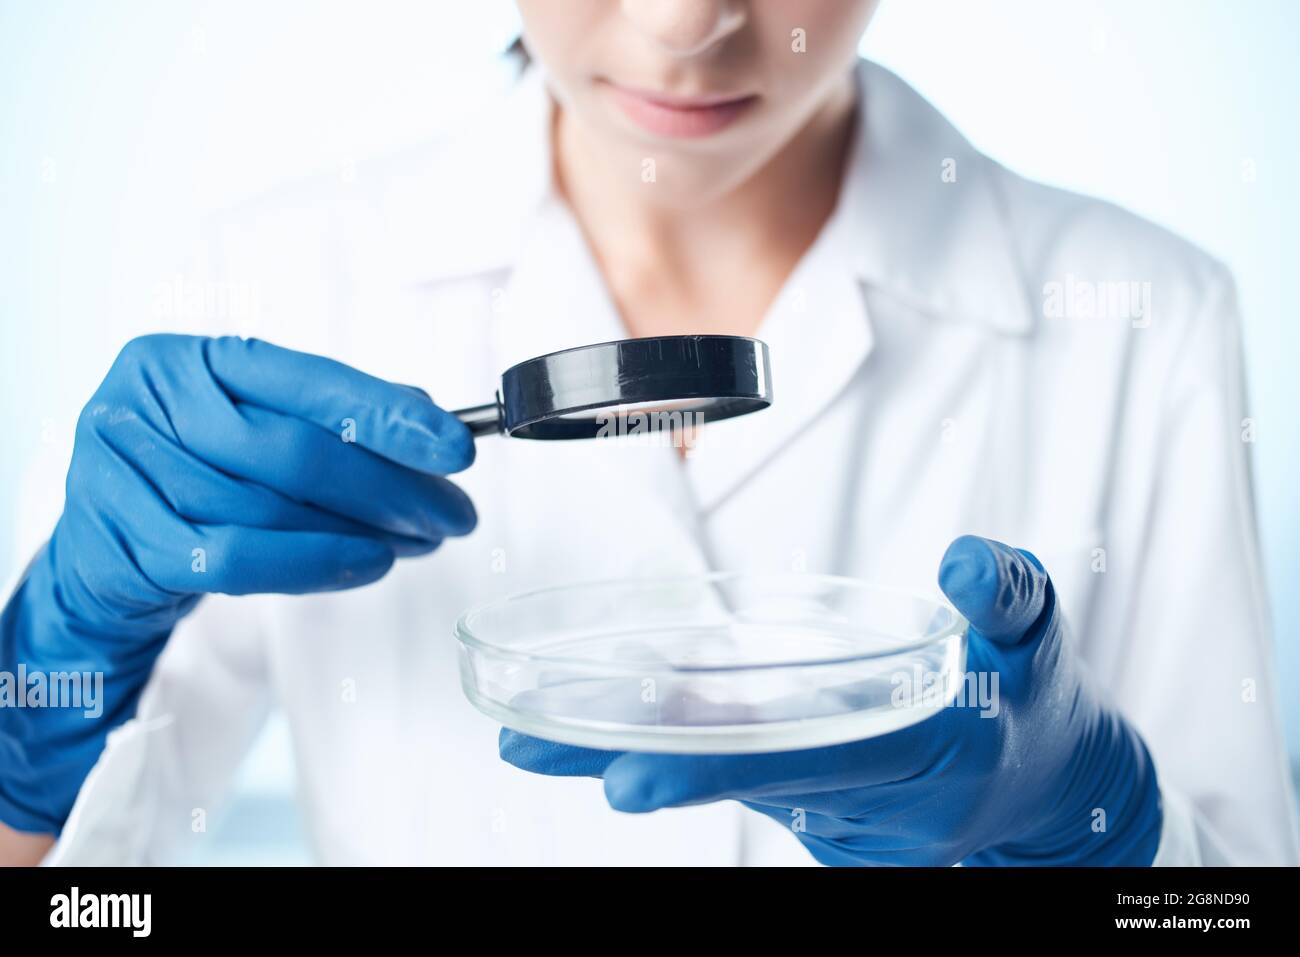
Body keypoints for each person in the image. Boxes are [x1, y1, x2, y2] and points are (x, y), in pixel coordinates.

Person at [2, 0, 1297, 866]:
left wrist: (1104, 834)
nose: (686, 24)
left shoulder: (1147, 316)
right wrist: (36, 696)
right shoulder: (274, 288)